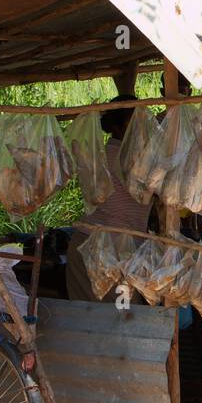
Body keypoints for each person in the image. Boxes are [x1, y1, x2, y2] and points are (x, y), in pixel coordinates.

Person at [65, 95, 153, 302]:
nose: (141, 128)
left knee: (94, 321)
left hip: (94, 246)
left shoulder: (112, 155)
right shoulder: (124, 158)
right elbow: (163, 189)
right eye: (135, 122)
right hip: (107, 252)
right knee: (119, 322)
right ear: (118, 127)